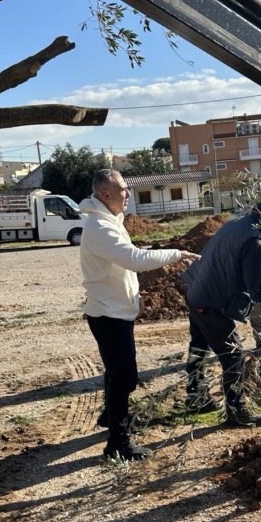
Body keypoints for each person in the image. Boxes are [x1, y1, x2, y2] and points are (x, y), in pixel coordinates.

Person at [79, 169, 199, 460]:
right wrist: (176, 253)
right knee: (124, 377)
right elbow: (134, 259)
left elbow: (122, 263)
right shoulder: (100, 227)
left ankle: (110, 417)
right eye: (123, 189)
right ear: (105, 194)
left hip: (114, 310)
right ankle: (118, 444)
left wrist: (134, 296)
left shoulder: (110, 220)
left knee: (117, 372)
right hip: (108, 315)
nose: (128, 194)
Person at [182, 196, 261, 427]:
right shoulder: (254, 241)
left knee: (199, 346)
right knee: (234, 356)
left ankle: (195, 396)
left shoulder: (237, 223)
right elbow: (259, 289)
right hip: (210, 302)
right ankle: (236, 412)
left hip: (195, 290)